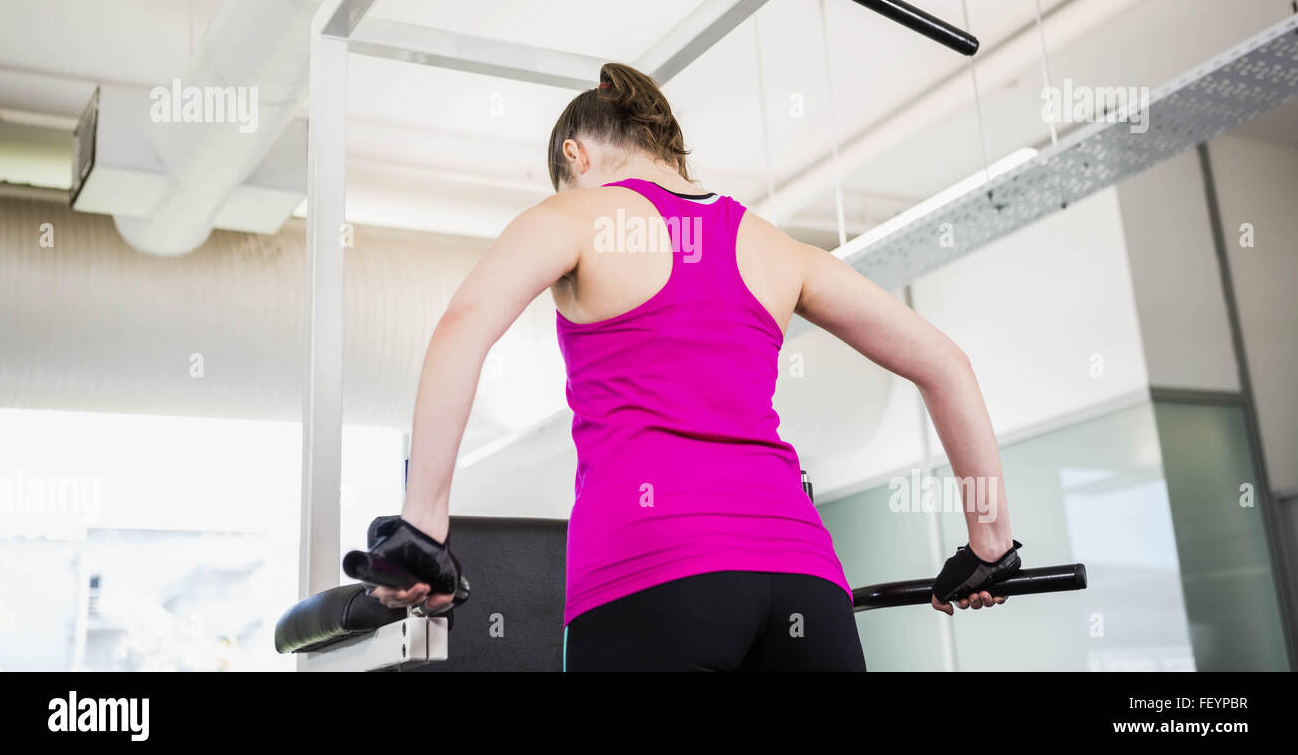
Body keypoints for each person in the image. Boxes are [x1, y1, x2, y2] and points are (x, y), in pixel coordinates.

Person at [369, 63, 1020, 671]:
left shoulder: (576, 215)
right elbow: (946, 364)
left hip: (651, 575)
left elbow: (463, 326)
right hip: (806, 584)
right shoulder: (780, 250)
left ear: (576, 154)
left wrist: (424, 523)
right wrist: (990, 547)